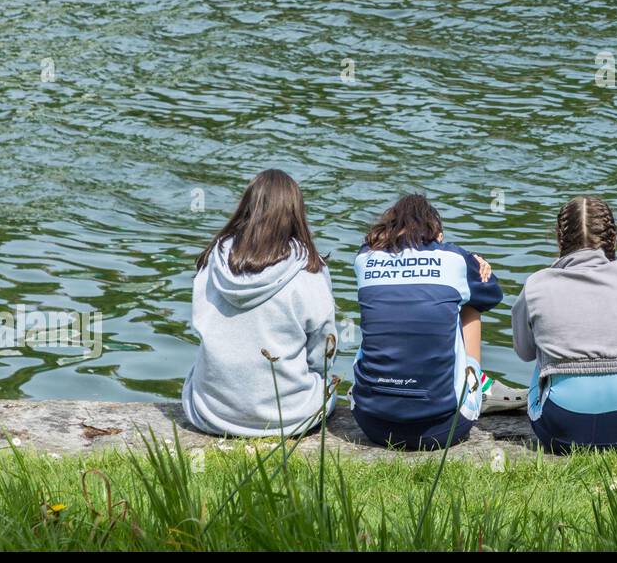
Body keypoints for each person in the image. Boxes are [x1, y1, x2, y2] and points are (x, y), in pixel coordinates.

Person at [183, 169, 338, 437]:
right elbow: (323, 352)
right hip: (289, 416)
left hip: (211, 413)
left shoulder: (212, 259)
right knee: (329, 385)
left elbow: (201, 326)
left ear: (247, 207)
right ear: (296, 213)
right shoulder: (310, 269)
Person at [350, 193, 504, 450]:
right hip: (444, 428)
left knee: (387, 312)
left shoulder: (364, 258)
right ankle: (476, 381)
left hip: (372, 423)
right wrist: (476, 261)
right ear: (436, 232)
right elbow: (491, 294)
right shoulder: (454, 257)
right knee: (469, 306)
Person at [513, 196, 617, 453]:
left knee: (544, 351)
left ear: (559, 238)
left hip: (558, 431)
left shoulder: (536, 285)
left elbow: (524, 352)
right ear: (614, 237)